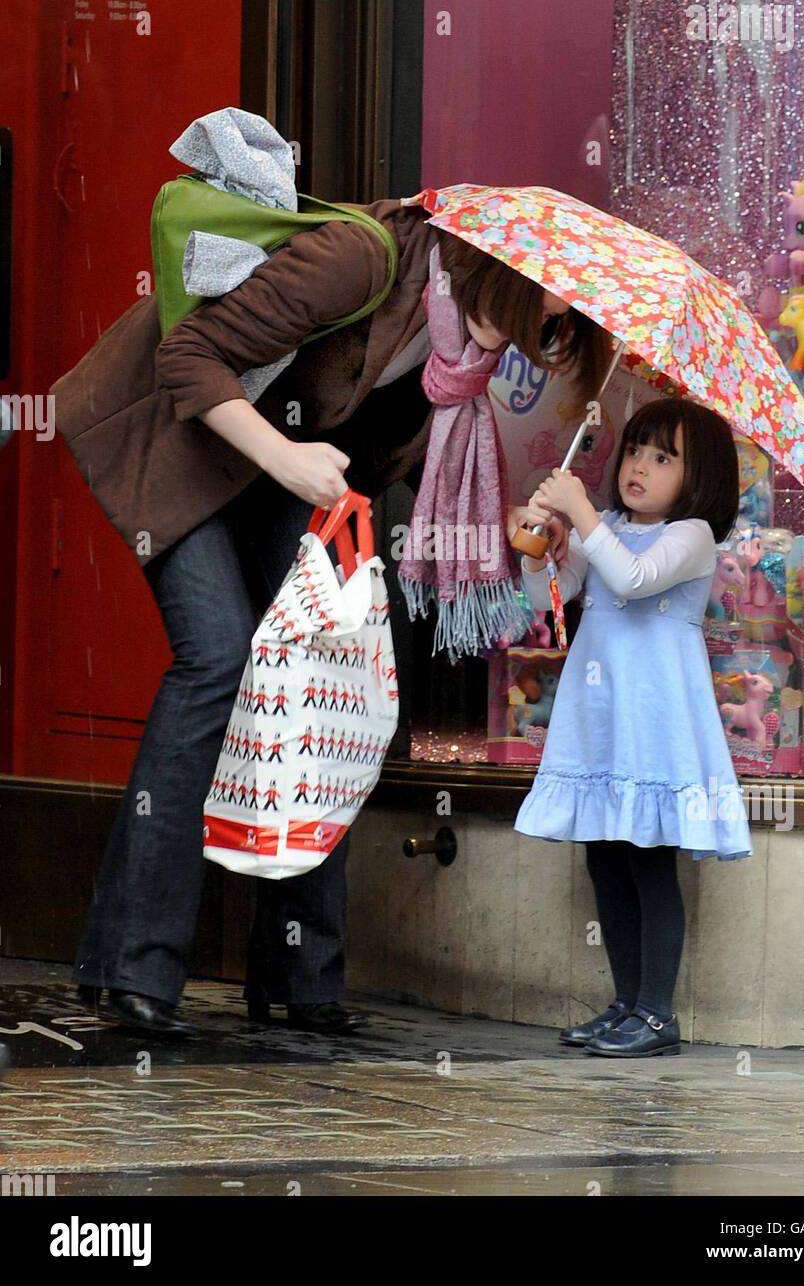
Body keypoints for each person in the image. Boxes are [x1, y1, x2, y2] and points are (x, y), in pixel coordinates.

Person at [50, 192, 609, 1037]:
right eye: (540, 308)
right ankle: (134, 967)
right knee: (216, 659)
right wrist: (286, 457)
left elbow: (392, 453)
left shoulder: (459, 358)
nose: (538, 335)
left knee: (325, 676)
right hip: (184, 441)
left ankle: (301, 976)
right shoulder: (364, 257)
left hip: (282, 479)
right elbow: (190, 355)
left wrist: (511, 529)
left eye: (558, 328)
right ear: (494, 269)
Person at [515, 397, 751, 1058]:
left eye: (662, 457)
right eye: (636, 450)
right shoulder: (611, 524)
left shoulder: (692, 535)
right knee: (604, 858)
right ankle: (623, 1003)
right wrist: (539, 546)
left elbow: (635, 578)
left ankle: (655, 1015)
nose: (638, 466)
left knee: (649, 861)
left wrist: (582, 515)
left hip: (655, 718)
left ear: (697, 474)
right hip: (601, 715)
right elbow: (551, 599)